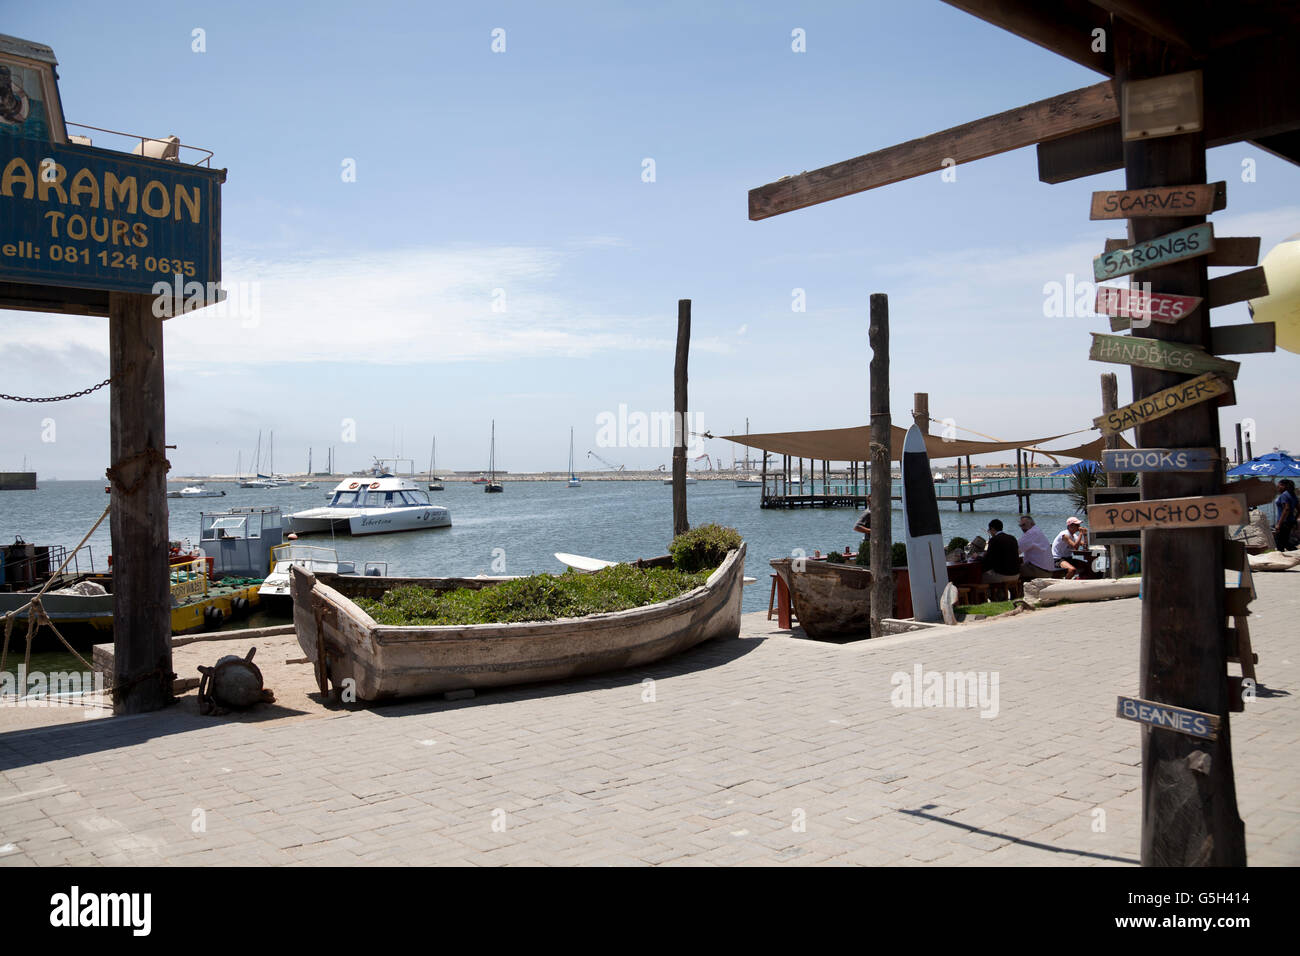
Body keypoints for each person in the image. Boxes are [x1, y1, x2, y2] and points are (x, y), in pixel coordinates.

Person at [980, 519, 1021, 585]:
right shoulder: (1012, 538)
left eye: (989, 530)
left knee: (978, 577)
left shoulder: (994, 540)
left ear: (992, 529)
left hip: (1003, 576)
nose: (989, 532)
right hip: (1016, 575)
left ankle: (989, 595)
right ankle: (1000, 594)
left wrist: (977, 557)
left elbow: (988, 561)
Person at [1016, 515, 1054, 579]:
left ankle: (1016, 589)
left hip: (1039, 570)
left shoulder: (1031, 533)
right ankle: (1018, 588)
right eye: (1020, 526)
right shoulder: (1037, 531)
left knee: (1009, 571)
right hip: (1047, 570)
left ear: (1032, 524)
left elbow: (1015, 551)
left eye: (1024, 525)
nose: (1022, 528)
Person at [1274, 478, 1299, 552]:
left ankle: (1281, 558)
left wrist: (1279, 524)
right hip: (1290, 522)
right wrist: (1294, 519)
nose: (1277, 488)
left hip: (1284, 523)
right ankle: (1295, 554)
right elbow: (1299, 509)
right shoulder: (1292, 495)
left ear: (1283, 486)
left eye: (1278, 486)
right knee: (1284, 542)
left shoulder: (1284, 495)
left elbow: (1286, 509)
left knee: (1279, 542)